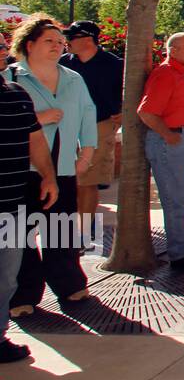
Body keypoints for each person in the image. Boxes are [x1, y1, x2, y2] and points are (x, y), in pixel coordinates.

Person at [5, 15, 96, 316]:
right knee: (22, 234)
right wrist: (39, 119)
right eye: (49, 41)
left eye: (60, 42)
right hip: (23, 168)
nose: (57, 46)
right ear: (29, 44)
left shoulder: (73, 78)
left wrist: (87, 153)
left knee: (61, 228)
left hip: (63, 164)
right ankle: (23, 295)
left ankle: (69, 285)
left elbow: (87, 113)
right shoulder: (11, 78)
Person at [138, 32, 184, 270]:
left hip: (180, 137)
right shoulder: (165, 75)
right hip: (168, 141)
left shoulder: (182, 73)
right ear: (173, 50)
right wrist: (169, 135)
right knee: (174, 199)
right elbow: (147, 112)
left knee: (183, 195)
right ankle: (179, 253)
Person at [0, 68, 57, 362]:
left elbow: (35, 140)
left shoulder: (17, 95)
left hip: (10, 204)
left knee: (7, 278)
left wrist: (48, 176)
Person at [60, 20, 123, 243]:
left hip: (99, 126)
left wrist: (123, 110)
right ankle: (72, 230)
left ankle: (84, 231)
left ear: (87, 40)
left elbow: (131, 91)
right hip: (66, 127)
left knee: (88, 180)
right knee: (69, 179)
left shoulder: (113, 65)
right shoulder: (63, 64)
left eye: (71, 37)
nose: (66, 42)